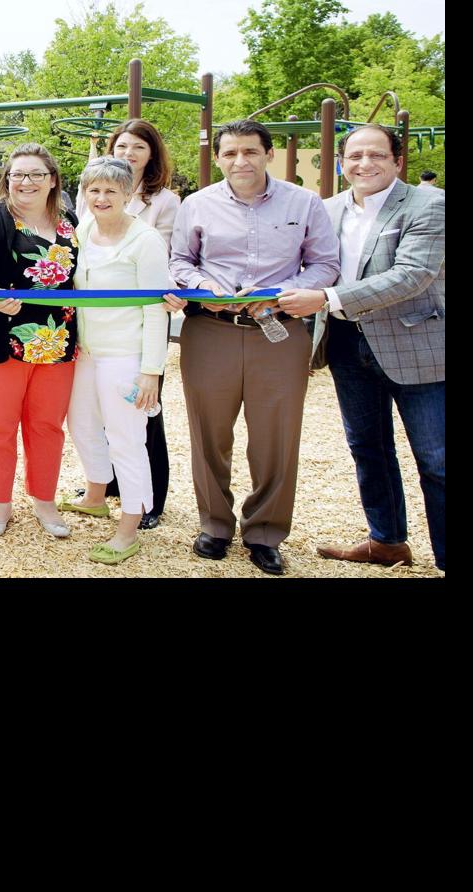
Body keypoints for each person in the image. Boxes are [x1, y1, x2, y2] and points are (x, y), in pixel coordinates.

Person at [165, 119, 340, 575]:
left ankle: (265, 532)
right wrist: (204, 285)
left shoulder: (304, 204)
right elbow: (180, 261)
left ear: (267, 154)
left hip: (278, 333)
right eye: (230, 153)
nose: (240, 161)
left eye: (250, 152)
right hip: (211, 331)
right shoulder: (197, 204)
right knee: (209, 435)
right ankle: (215, 525)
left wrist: (286, 292)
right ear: (219, 157)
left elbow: (324, 264)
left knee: (276, 438)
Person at [278, 125, 445, 572]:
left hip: (416, 345)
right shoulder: (328, 209)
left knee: (436, 458)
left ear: (397, 162)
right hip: (348, 344)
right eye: (354, 156)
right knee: (368, 447)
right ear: (341, 162)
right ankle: (387, 542)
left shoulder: (431, 204)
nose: (364, 164)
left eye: (376, 155)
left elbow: (412, 275)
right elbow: (311, 265)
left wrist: (328, 299)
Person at [0, 142, 79, 539]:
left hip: (58, 343)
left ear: (53, 180)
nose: (25, 182)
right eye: (17, 175)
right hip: (2, 343)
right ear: (7, 180)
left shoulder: (70, 221)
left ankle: (44, 500)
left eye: (35, 175)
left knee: (47, 426)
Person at [69, 118, 180, 530]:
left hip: (125, 357)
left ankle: (130, 523)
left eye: (111, 190)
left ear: (129, 193)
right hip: (86, 352)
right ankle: (96, 494)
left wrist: (152, 370)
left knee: (127, 438)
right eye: (93, 190)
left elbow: (156, 308)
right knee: (82, 424)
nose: (101, 198)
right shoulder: (82, 232)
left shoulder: (145, 240)